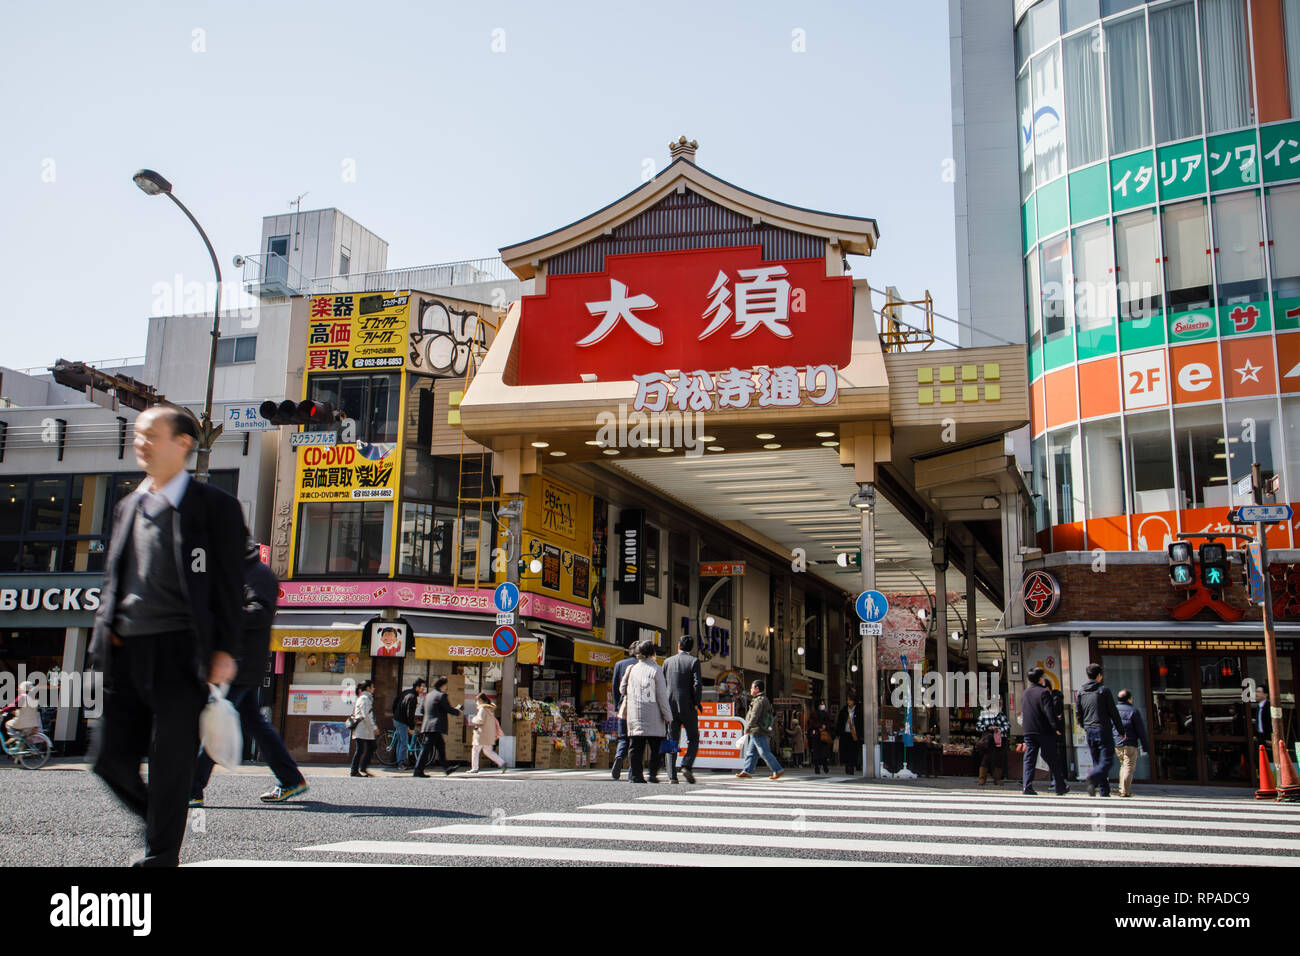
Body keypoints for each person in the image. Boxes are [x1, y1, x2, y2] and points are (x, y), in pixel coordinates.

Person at [90, 404, 246, 867]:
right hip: (127, 648)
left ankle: (160, 856)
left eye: (150, 434)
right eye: (138, 434)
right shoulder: (128, 505)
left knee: (171, 761)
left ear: (183, 443)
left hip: (182, 651)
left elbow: (228, 587)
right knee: (108, 759)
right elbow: (114, 579)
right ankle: (160, 820)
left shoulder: (213, 507)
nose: (140, 442)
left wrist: (224, 650)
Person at [190, 544, 309, 806]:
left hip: (241, 664)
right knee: (254, 723)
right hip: (238, 661)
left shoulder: (257, 573)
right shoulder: (239, 574)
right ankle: (290, 779)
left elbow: (260, 612)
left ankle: (192, 788)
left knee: (216, 718)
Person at [618, 641, 673, 784]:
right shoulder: (656, 669)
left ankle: (636, 775)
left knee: (635, 747)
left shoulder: (631, 669)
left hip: (635, 713)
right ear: (652, 654)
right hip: (654, 715)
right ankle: (652, 775)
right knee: (656, 747)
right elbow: (662, 695)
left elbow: (622, 689)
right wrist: (668, 716)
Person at [1077, 663, 1124, 797]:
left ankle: (1104, 791)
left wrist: (1083, 724)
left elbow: (1078, 712)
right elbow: (1113, 713)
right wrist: (1121, 731)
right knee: (1107, 760)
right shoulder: (1103, 691)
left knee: (1097, 761)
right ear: (1099, 676)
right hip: (1103, 729)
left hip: (1089, 730)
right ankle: (1093, 777)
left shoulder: (1081, 692)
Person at [1020, 667, 1067, 795]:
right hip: (1043, 730)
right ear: (1040, 679)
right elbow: (1049, 712)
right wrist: (1056, 727)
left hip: (1029, 730)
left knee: (1029, 758)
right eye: (1043, 676)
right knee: (1052, 757)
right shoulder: (1043, 692)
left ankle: (1027, 786)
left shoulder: (1025, 693)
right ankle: (1060, 786)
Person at [662, 635, 702, 784]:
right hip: (688, 706)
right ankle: (686, 765)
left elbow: (662, 684)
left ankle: (672, 775)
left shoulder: (667, 662)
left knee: (671, 739)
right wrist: (696, 702)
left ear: (678, 646)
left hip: (670, 706)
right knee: (693, 738)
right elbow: (697, 684)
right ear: (691, 648)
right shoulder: (694, 661)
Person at [414, 675, 462, 777]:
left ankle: (446, 768)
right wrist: (457, 711)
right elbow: (448, 709)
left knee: (440, 746)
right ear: (443, 685)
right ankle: (418, 770)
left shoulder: (428, 695)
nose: (446, 687)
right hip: (435, 725)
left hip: (427, 725)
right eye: (446, 685)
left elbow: (422, 710)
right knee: (426, 748)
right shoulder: (441, 695)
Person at [737, 680, 784, 780]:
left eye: (752, 687)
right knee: (751, 752)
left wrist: (748, 727)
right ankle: (747, 771)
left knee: (764, 752)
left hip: (758, 730)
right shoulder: (761, 699)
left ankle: (778, 770)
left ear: (757, 689)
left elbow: (755, 715)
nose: (750, 689)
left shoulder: (759, 700)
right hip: (756, 729)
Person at [610, 645, 639, 780]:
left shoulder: (619, 664)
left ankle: (619, 756)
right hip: (639, 708)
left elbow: (615, 686)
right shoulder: (642, 665)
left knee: (623, 738)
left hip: (623, 706)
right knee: (636, 740)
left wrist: (617, 705)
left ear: (629, 651)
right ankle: (632, 772)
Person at [1115, 688, 1149, 798]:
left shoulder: (1114, 710)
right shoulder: (1133, 711)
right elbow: (1140, 730)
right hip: (1130, 743)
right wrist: (1145, 745)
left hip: (1118, 743)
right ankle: (1125, 791)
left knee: (1123, 766)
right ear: (1129, 699)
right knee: (1128, 767)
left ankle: (1122, 789)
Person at [390, 678, 425, 770]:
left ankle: (399, 762)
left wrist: (395, 714)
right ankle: (401, 764)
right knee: (404, 743)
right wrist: (411, 727)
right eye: (422, 687)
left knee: (400, 742)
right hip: (402, 721)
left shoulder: (405, 692)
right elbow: (410, 713)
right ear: (417, 687)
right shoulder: (413, 697)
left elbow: (395, 702)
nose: (423, 689)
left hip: (397, 719)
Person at [975, 696, 1011, 786]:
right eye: (998, 701)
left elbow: (1007, 726)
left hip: (1000, 738)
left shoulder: (1001, 714)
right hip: (989, 738)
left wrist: (999, 729)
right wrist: (987, 728)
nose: (1000, 703)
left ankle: (997, 779)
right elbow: (978, 726)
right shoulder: (984, 714)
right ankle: (982, 778)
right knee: (986, 758)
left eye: (1001, 701)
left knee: (999, 758)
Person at [468, 693, 506, 773]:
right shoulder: (490, 709)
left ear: (480, 700)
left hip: (481, 734)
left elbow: (480, 720)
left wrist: (473, 719)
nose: (476, 703)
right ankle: (502, 763)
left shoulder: (482, 709)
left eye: (477, 701)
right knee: (488, 751)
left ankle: (475, 768)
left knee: (475, 750)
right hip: (489, 734)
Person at [349, 680, 379, 777]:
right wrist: (374, 727)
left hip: (365, 729)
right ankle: (355, 770)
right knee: (361, 750)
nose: (374, 689)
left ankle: (362, 768)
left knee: (370, 747)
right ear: (368, 688)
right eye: (372, 687)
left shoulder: (366, 698)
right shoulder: (364, 699)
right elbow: (366, 715)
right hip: (362, 729)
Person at [3, 681, 41, 746]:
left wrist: (2, 710)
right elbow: (27, 709)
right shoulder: (35, 698)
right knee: (23, 739)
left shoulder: (23, 697)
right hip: (33, 723)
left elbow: (13, 706)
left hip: (23, 722)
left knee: (8, 724)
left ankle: (14, 737)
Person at [835, 693, 864, 776]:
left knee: (853, 751)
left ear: (854, 701)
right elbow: (840, 723)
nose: (849, 702)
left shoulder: (858, 711)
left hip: (854, 734)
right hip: (845, 734)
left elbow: (860, 723)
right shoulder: (844, 710)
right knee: (845, 751)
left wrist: (860, 734)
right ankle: (847, 765)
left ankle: (851, 766)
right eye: (848, 700)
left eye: (850, 700)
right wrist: (838, 733)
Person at [807, 700, 832, 774]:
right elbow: (811, 723)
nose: (822, 705)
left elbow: (829, 723)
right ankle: (817, 767)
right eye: (821, 704)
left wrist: (825, 726)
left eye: (823, 704)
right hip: (816, 735)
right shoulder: (813, 714)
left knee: (824, 752)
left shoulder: (826, 714)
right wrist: (819, 726)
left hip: (824, 735)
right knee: (816, 752)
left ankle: (825, 765)